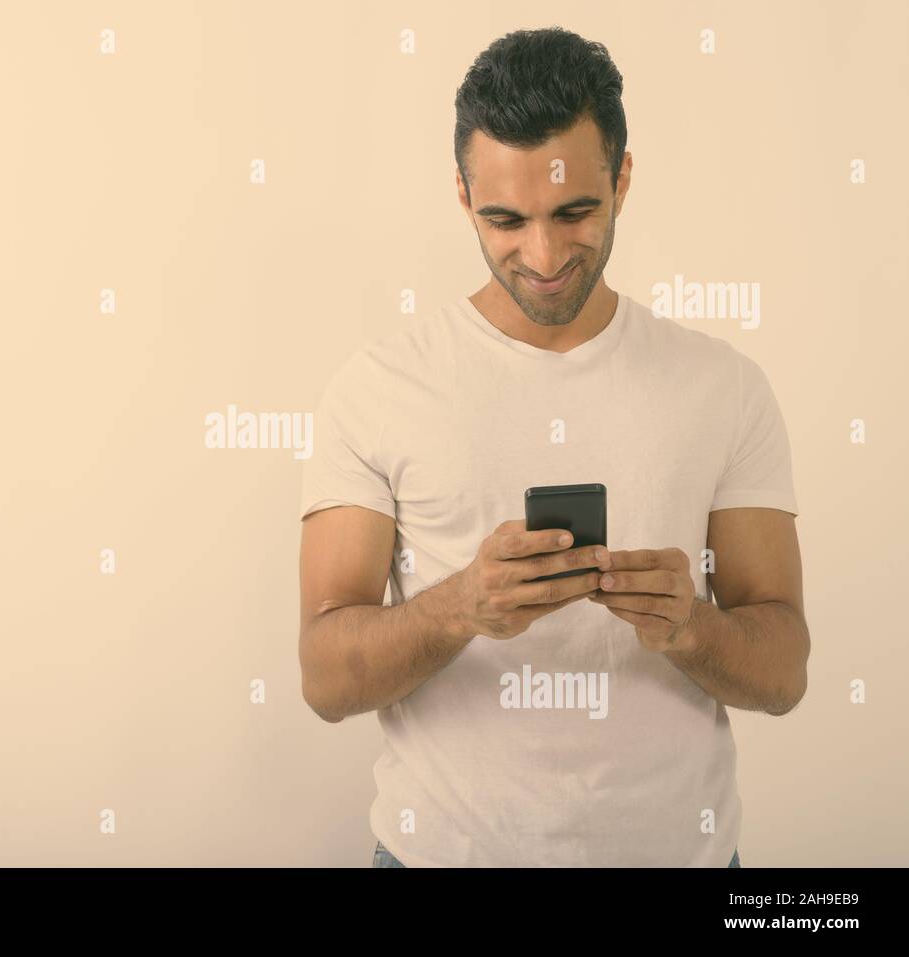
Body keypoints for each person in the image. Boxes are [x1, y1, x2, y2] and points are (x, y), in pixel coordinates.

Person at [297, 26, 808, 867]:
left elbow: (783, 670)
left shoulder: (725, 387)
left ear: (624, 179)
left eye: (575, 212)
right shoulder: (378, 387)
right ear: (463, 197)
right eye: (504, 219)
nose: (541, 256)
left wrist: (692, 627)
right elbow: (324, 677)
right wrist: (459, 606)